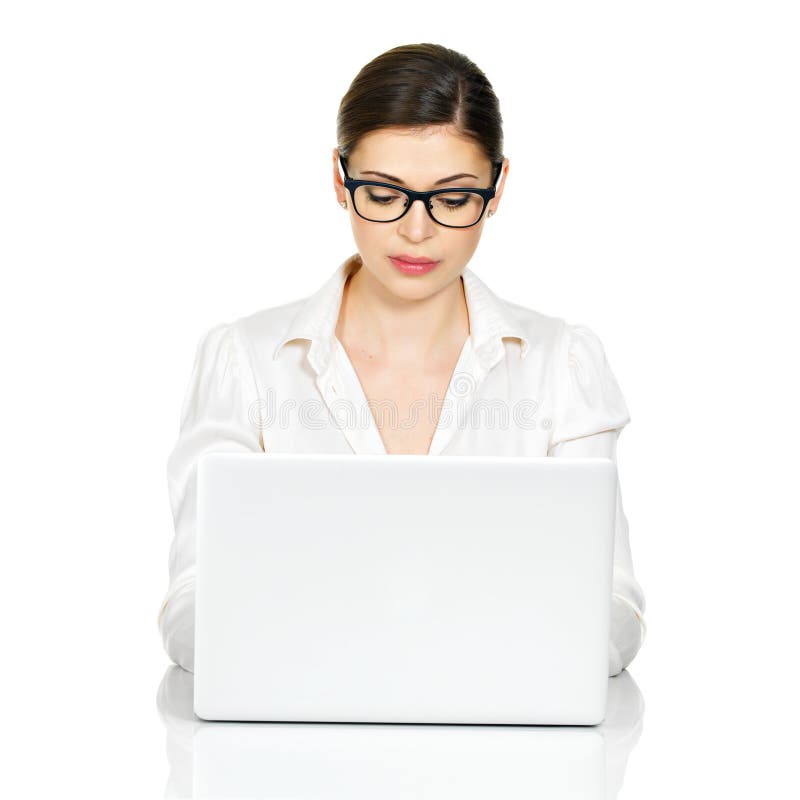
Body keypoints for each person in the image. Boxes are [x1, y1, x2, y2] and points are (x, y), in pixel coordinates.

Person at [156, 42, 647, 678]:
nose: (417, 231)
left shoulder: (561, 365)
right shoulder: (245, 362)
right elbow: (191, 608)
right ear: (339, 179)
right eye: (384, 193)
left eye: (453, 197)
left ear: (496, 189)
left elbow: (612, 609)